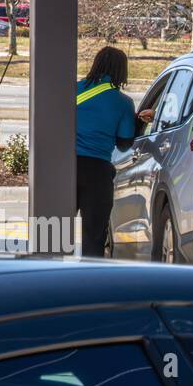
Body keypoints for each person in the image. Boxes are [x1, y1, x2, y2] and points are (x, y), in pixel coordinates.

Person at [76, 47, 154, 256]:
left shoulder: (71, 89)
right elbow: (124, 143)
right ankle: (89, 284)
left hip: (64, 165)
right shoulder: (123, 103)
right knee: (94, 234)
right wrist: (139, 123)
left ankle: (45, 273)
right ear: (122, 71)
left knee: (53, 228)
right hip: (96, 170)